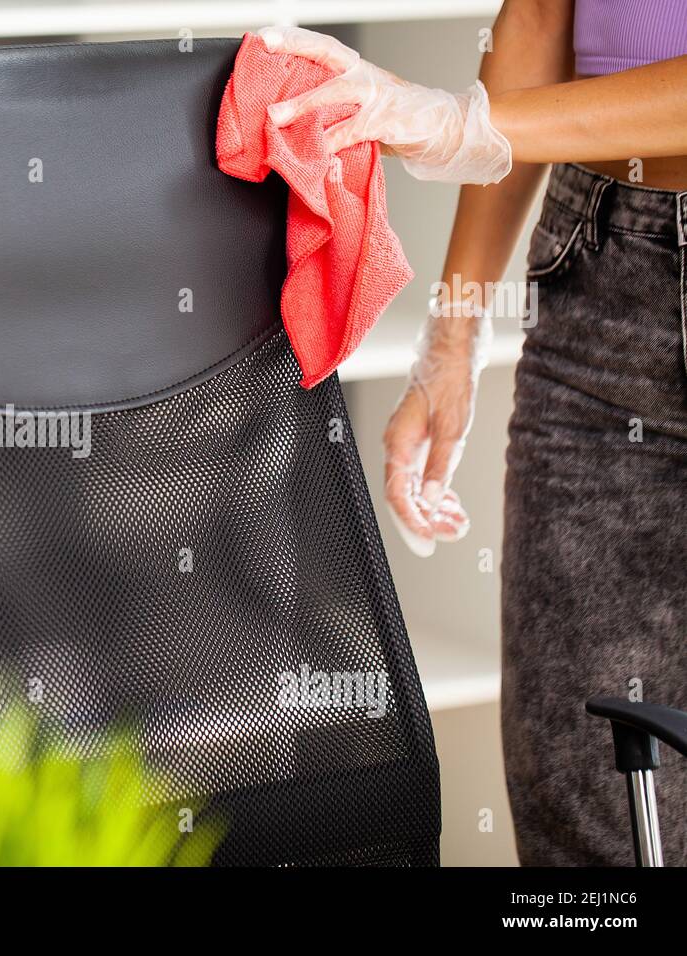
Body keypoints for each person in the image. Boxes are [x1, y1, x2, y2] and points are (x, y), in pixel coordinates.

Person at [256, 2, 687, 865]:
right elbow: (536, 16)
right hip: (605, 261)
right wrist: (453, 331)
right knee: (583, 787)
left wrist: (462, 122)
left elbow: (492, 124)